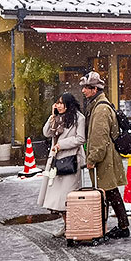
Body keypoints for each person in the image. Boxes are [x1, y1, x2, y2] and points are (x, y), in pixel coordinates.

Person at [79, 71, 130, 239]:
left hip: (105, 158)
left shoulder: (100, 109)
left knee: (109, 192)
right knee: (109, 192)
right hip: (107, 155)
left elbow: (98, 137)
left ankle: (121, 226)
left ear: (95, 89)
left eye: (86, 88)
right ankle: (119, 225)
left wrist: (92, 158)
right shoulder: (98, 105)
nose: (83, 91)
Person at [38, 93, 86, 238]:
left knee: (68, 197)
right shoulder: (57, 119)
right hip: (56, 161)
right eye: (56, 103)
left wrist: (61, 145)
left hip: (71, 160)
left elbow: (80, 138)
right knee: (58, 198)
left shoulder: (79, 118)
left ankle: (71, 227)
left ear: (68, 104)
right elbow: (46, 133)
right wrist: (52, 116)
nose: (57, 105)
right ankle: (67, 226)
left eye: (60, 103)